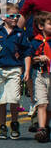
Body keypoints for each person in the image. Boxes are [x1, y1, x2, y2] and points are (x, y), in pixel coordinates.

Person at [0, 6, 27, 139]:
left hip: (14, 69)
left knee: (13, 98)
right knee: (0, 99)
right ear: (3, 17)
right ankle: (2, 125)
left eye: (17, 16)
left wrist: (26, 69)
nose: (15, 18)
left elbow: (26, 52)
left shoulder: (19, 33)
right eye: (12, 16)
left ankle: (14, 122)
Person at [26, 9, 51, 141]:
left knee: (49, 105)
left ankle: (46, 127)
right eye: (50, 24)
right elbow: (29, 57)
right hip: (40, 75)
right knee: (42, 103)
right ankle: (41, 129)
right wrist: (38, 58)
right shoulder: (35, 42)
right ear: (41, 26)